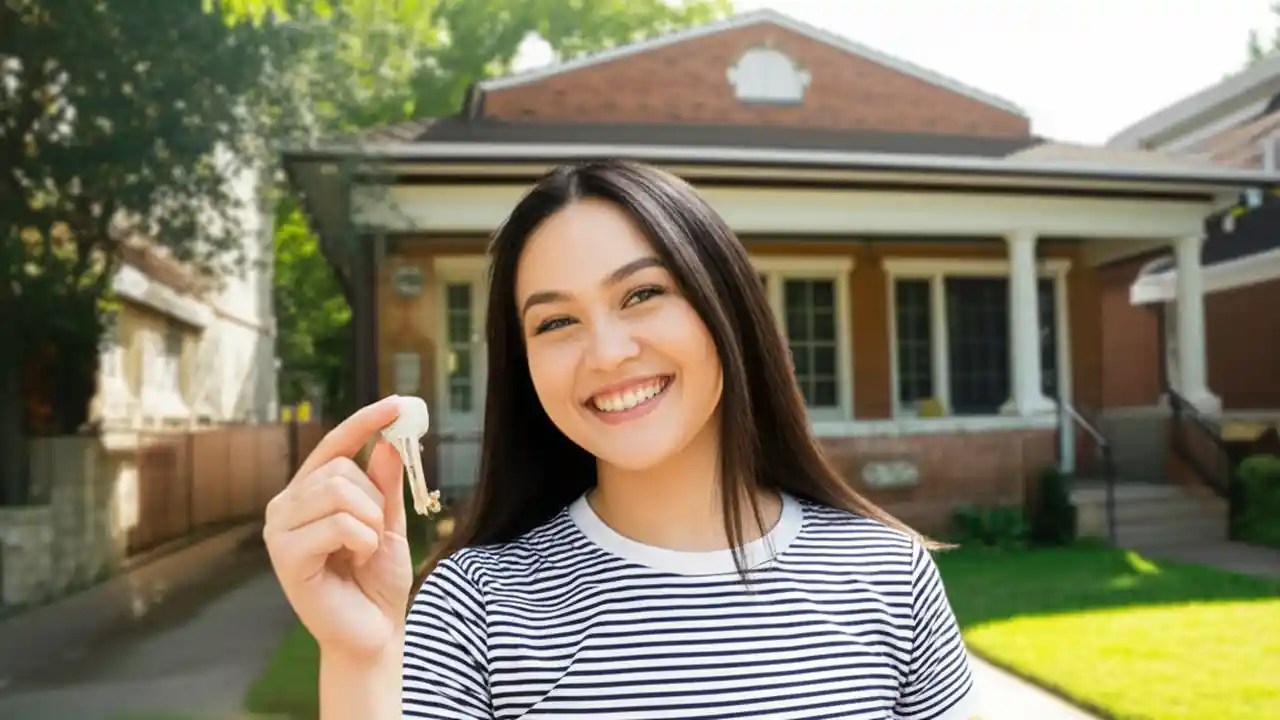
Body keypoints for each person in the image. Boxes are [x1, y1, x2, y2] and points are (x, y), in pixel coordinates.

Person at [264, 160, 983, 719]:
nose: (606, 353)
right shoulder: (475, 608)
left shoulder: (886, 574)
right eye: (555, 323)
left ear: (723, 305)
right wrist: (360, 659)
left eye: (642, 294)